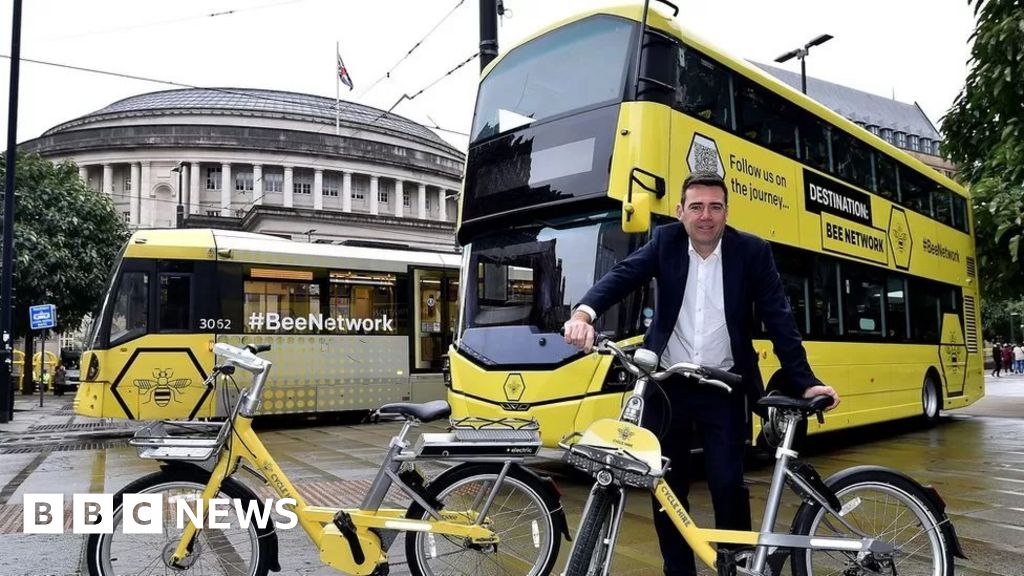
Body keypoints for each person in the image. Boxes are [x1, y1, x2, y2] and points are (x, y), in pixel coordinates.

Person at [563, 171, 840, 576]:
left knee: (727, 484)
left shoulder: (751, 252)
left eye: (714, 207)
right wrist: (584, 314)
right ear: (680, 212)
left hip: (723, 385)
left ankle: (737, 566)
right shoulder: (666, 242)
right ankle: (678, 571)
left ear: (726, 212)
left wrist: (805, 381)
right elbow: (622, 276)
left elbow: (779, 317)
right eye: (696, 207)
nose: (705, 216)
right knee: (664, 488)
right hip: (667, 387)